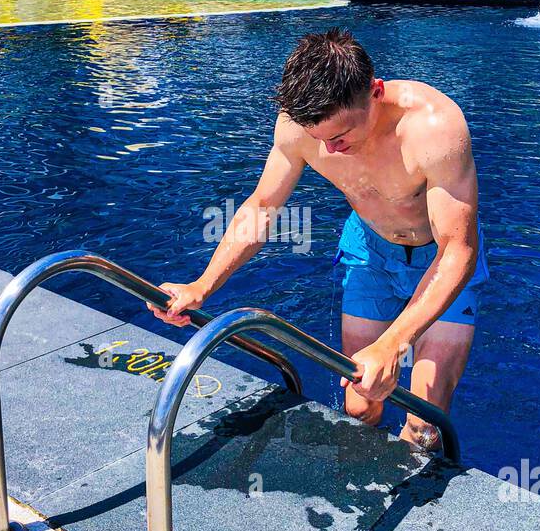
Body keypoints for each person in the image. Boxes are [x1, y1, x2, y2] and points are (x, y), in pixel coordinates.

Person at [150, 27, 488, 451]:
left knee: (423, 423)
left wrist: (392, 345)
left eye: (341, 136)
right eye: (320, 139)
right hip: (370, 251)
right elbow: (261, 207)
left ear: (375, 92)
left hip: (440, 259)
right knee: (361, 406)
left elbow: (459, 249)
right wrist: (203, 285)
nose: (330, 151)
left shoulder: (434, 129)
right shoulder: (299, 127)